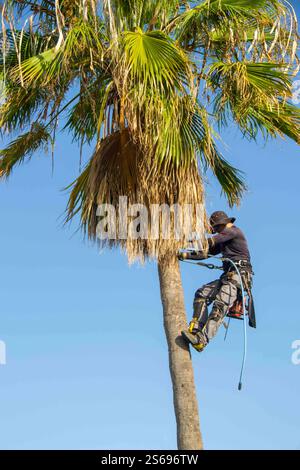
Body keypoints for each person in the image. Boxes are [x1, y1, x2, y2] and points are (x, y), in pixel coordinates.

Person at [179, 211, 255, 352]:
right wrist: (184, 254)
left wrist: (186, 240)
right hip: (227, 276)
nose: (215, 231)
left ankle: (202, 341)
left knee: (220, 306)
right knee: (201, 294)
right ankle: (196, 328)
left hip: (238, 277)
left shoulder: (233, 231)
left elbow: (210, 241)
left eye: (215, 228)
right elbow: (205, 253)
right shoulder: (224, 239)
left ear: (222, 224)